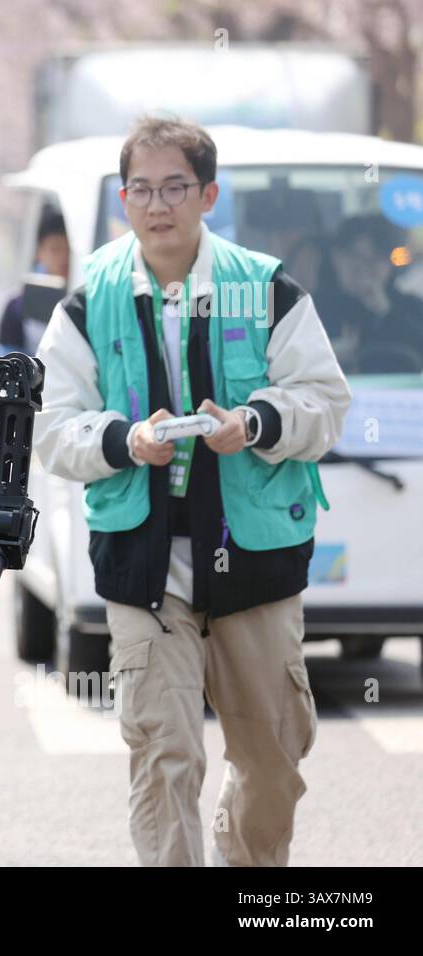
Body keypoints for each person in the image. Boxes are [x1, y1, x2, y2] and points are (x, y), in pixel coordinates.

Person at [34, 116, 351, 866]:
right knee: (163, 753)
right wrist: (122, 440)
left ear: (208, 194)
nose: (156, 204)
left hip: (254, 557)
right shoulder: (88, 301)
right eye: (140, 188)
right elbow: (52, 426)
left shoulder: (266, 287)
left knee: (272, 764)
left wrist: (255, 421)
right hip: (144, 565)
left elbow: (326, 403)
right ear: (122, 199)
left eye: (175, 186)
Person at [316, 215, 423, 374]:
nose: (363, 268)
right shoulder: (311, 309)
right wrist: (327, 354)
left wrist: (386, 311)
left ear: (389, 264)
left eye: (375, 258)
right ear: (335, 258)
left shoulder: (410, 308)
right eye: (353, 255)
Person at [0, 209, 70, 355]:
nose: (64, 257)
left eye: (69, 249)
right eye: (55, 249)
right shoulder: (18, 306)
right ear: (39, 252)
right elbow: (7, 361)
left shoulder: (91, 300)